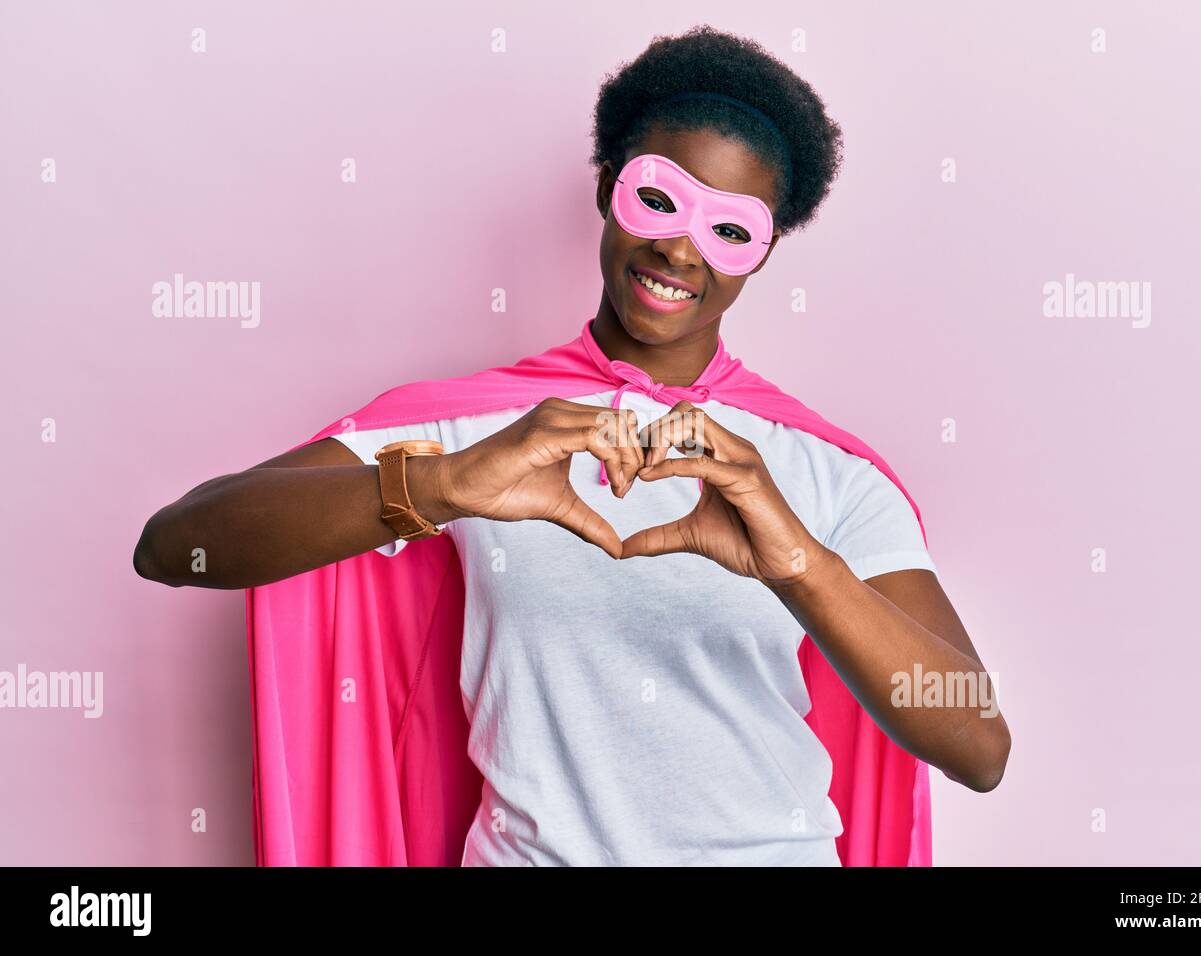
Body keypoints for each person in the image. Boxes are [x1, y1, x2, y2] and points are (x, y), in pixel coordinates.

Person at [133, 25, 1010, 866]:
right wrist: (442, 485)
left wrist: (799, 565)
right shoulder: (473, 424)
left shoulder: (825, 470)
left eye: (727, 230)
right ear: (606, 189)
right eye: (657, 199)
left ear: (760, 256)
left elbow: (977, 745)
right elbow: (175, 544)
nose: (677, 246)